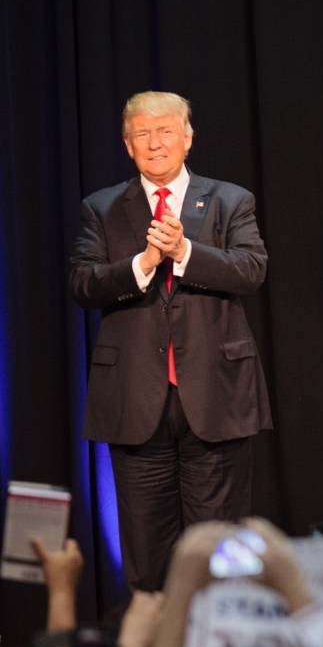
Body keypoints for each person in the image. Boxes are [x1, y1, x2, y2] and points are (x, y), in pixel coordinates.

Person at [70, 92, 272, 592]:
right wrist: (142, 264)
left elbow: (250, 270)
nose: (155, 143)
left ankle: (219, 641)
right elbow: (82, 284)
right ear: (128, 144)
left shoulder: (230, 200)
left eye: (165, 132)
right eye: (142, 134)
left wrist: (183, 251)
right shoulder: (101, 208)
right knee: (147, 557)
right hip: (135, 401)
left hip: (216, 396)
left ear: (187, 138)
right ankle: (155, 641)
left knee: (219, 552)